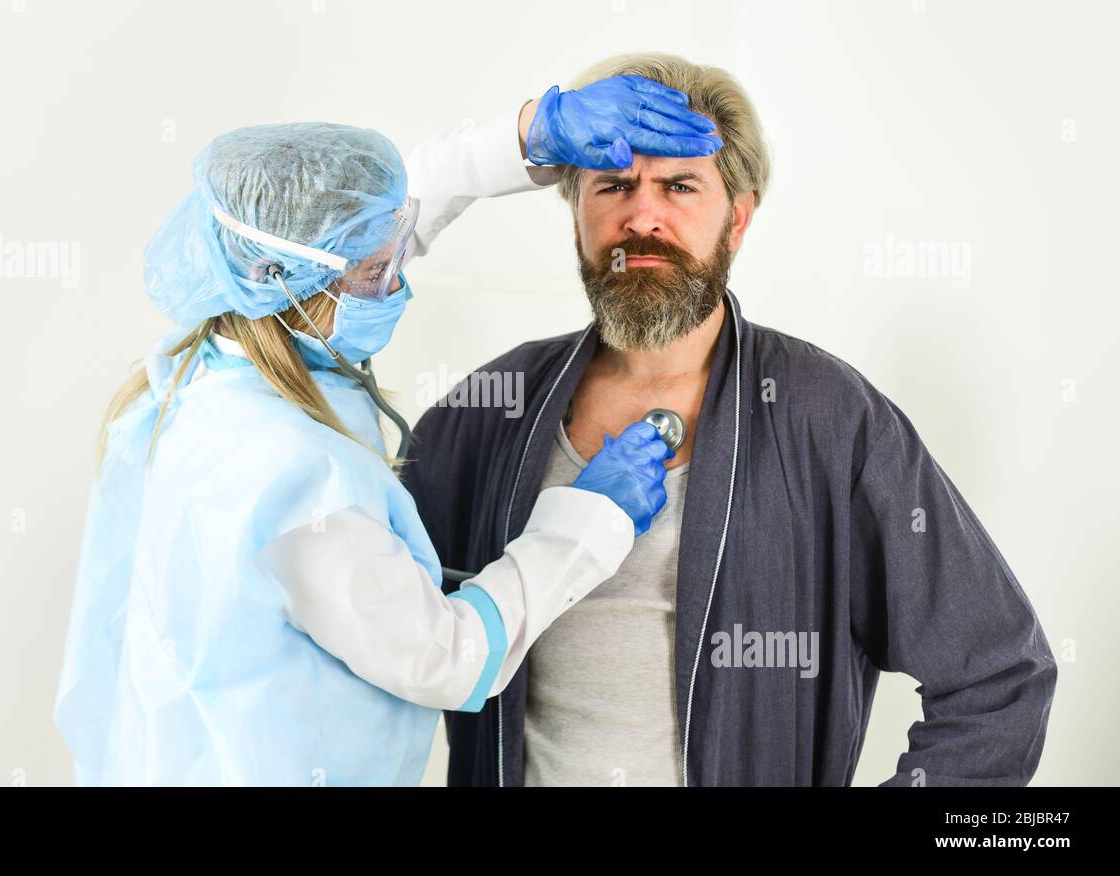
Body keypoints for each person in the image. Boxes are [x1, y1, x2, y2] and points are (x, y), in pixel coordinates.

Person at [399, 52, 1057, 786]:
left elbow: (1000, 674)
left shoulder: (830, 422)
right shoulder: (487, 413)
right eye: (611, 185)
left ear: (737, 218)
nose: (641, 215)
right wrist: (513, 137)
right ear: (576, 213)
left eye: (679, 185)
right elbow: (372, 631)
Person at [52, 111, 717, 785]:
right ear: (279, 279)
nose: (395, 283)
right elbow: (450, 657)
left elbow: (357, 223)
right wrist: (585, 521)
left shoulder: (195, 371)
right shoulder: (294, 474)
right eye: (377, 270)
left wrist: (526, 135)